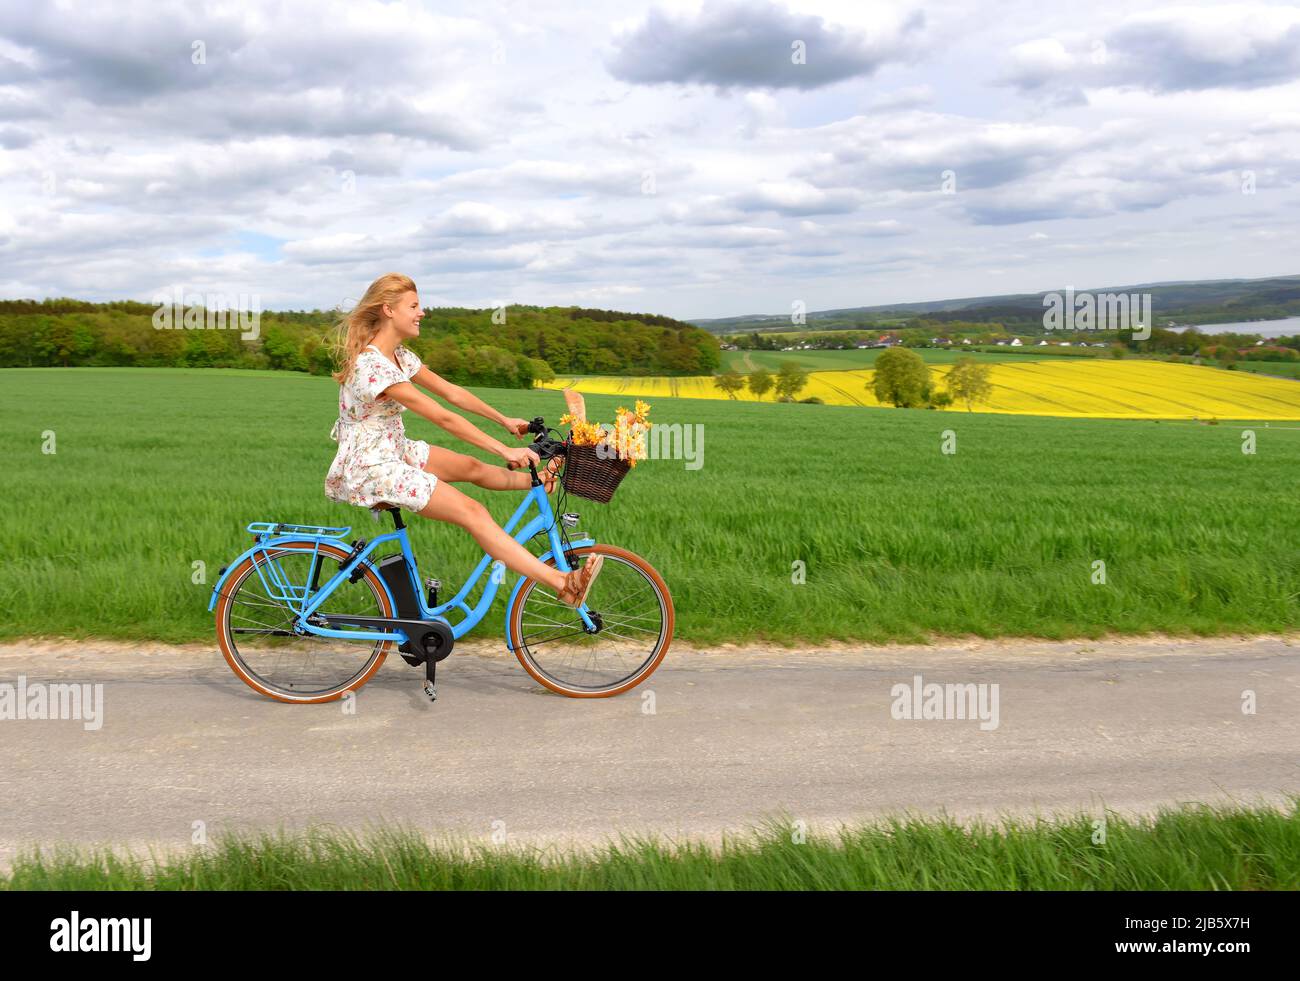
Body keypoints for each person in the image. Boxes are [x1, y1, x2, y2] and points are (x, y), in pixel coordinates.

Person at [324, 272, 602, 607]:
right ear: (388, 310)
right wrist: (502, 448)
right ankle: (562, 582)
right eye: (413, 305)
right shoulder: (373, 366)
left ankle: (542, 484)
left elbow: (453, 394)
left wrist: (504, 422)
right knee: (474, 511)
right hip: (372, 465)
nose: (421, 312)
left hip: (393, 451)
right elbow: (441, 416)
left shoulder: (400, 357)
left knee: (472, 467)